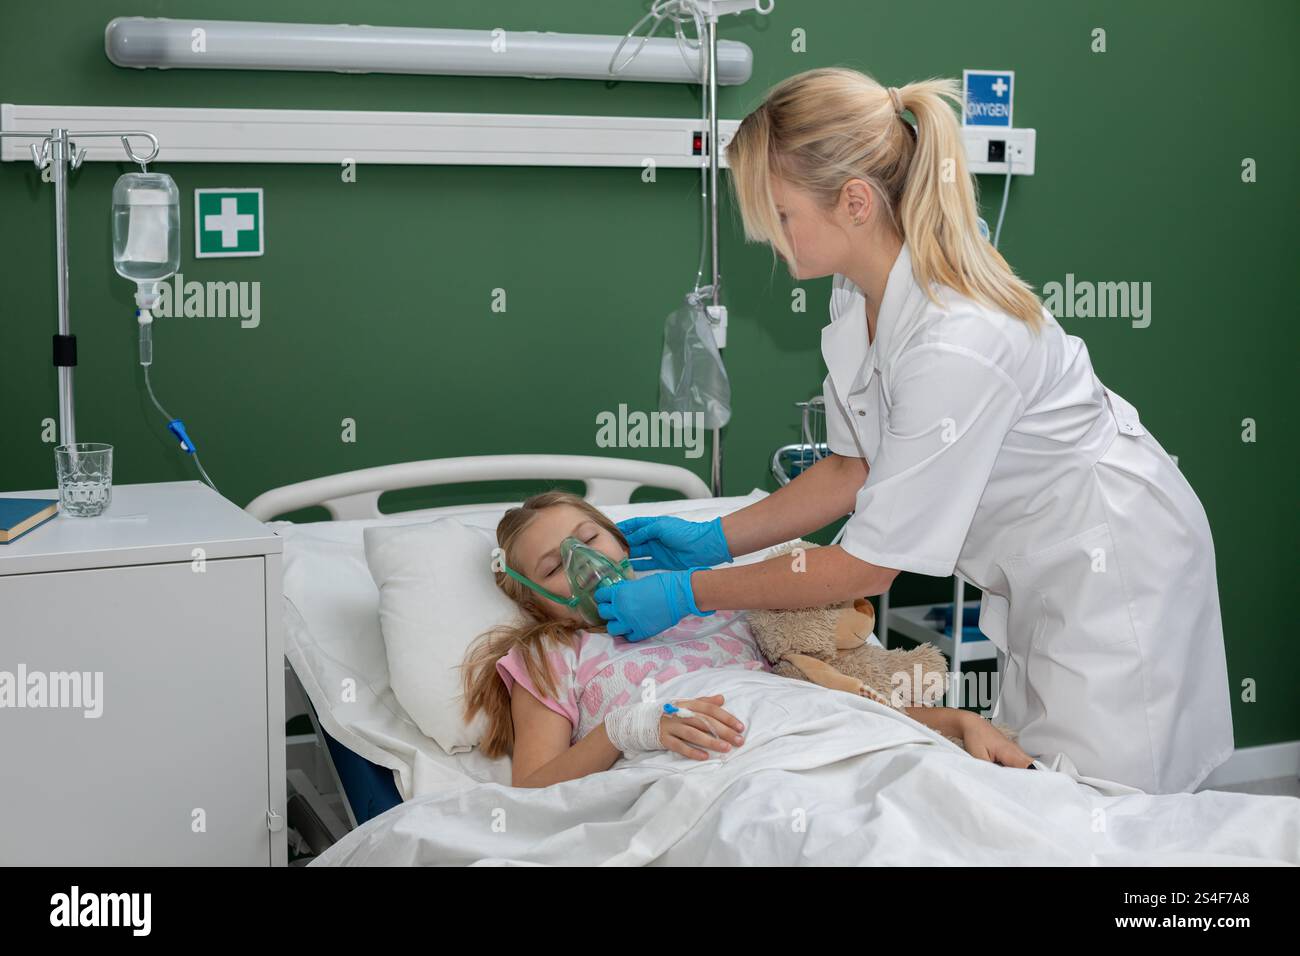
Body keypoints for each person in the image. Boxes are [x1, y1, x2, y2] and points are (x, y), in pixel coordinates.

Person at [594, 68, 1233, 795]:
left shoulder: (956, 340)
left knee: (1114, 808)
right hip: (1044, 565)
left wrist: (693, 590)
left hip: (1112, 564)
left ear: (855, 202)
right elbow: (849, 470)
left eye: (780, 213)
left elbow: (867, 567)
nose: (767, 237)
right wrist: (717, 536)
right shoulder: (858, 291)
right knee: (1048, 789)